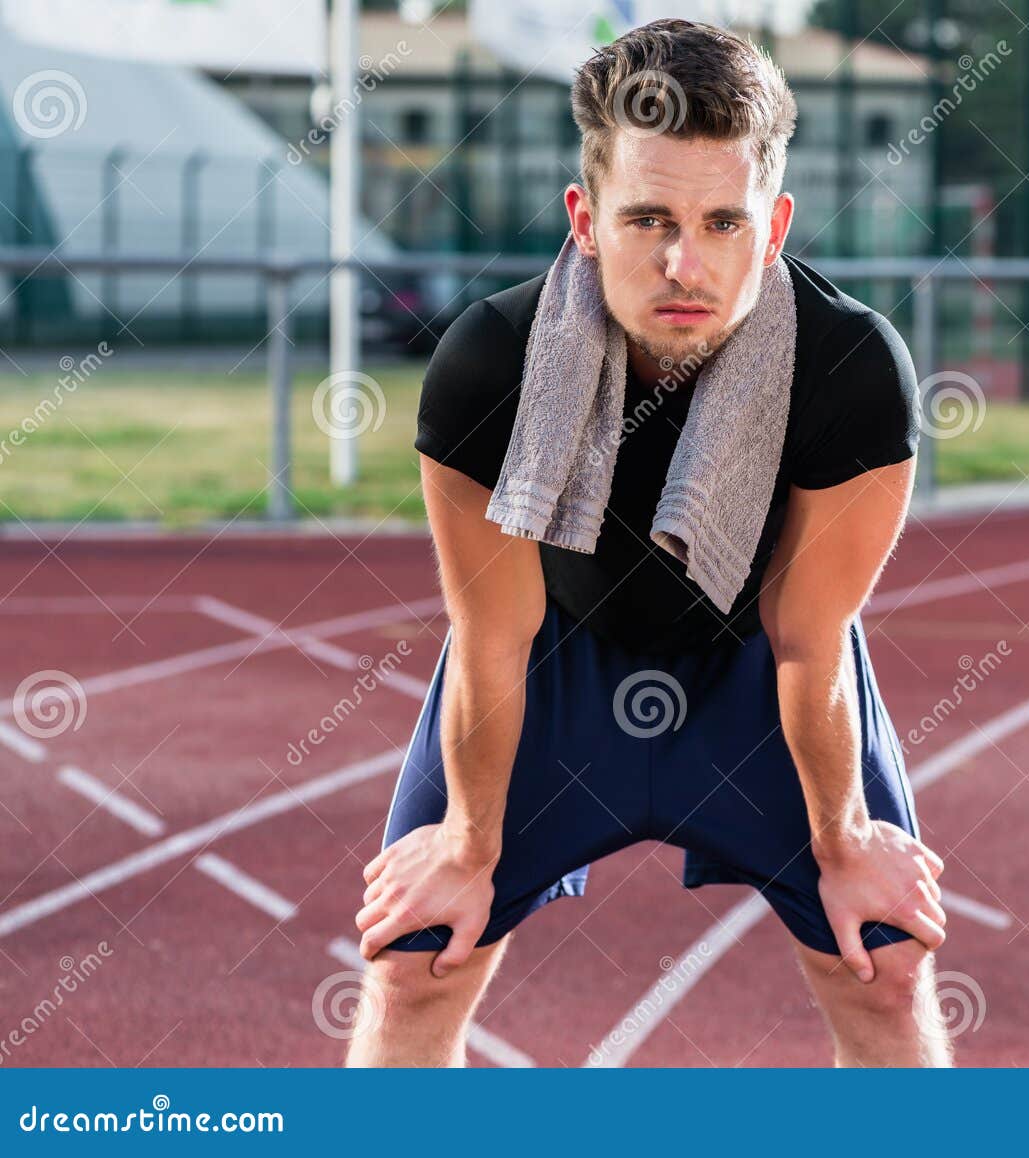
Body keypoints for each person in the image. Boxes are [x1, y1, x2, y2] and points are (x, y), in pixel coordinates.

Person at [348, 17, 950, 1068]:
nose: (685, 262)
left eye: (724, 222)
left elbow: (810, 639)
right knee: (415, 958)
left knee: (885, 965)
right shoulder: (487, 365)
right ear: (584, 219)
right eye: (647, 220)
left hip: (757, 664)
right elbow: (490, 631)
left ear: (775, 225)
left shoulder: (851, 369)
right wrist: (468, 847)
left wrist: (847, 844)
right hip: (550, 658)